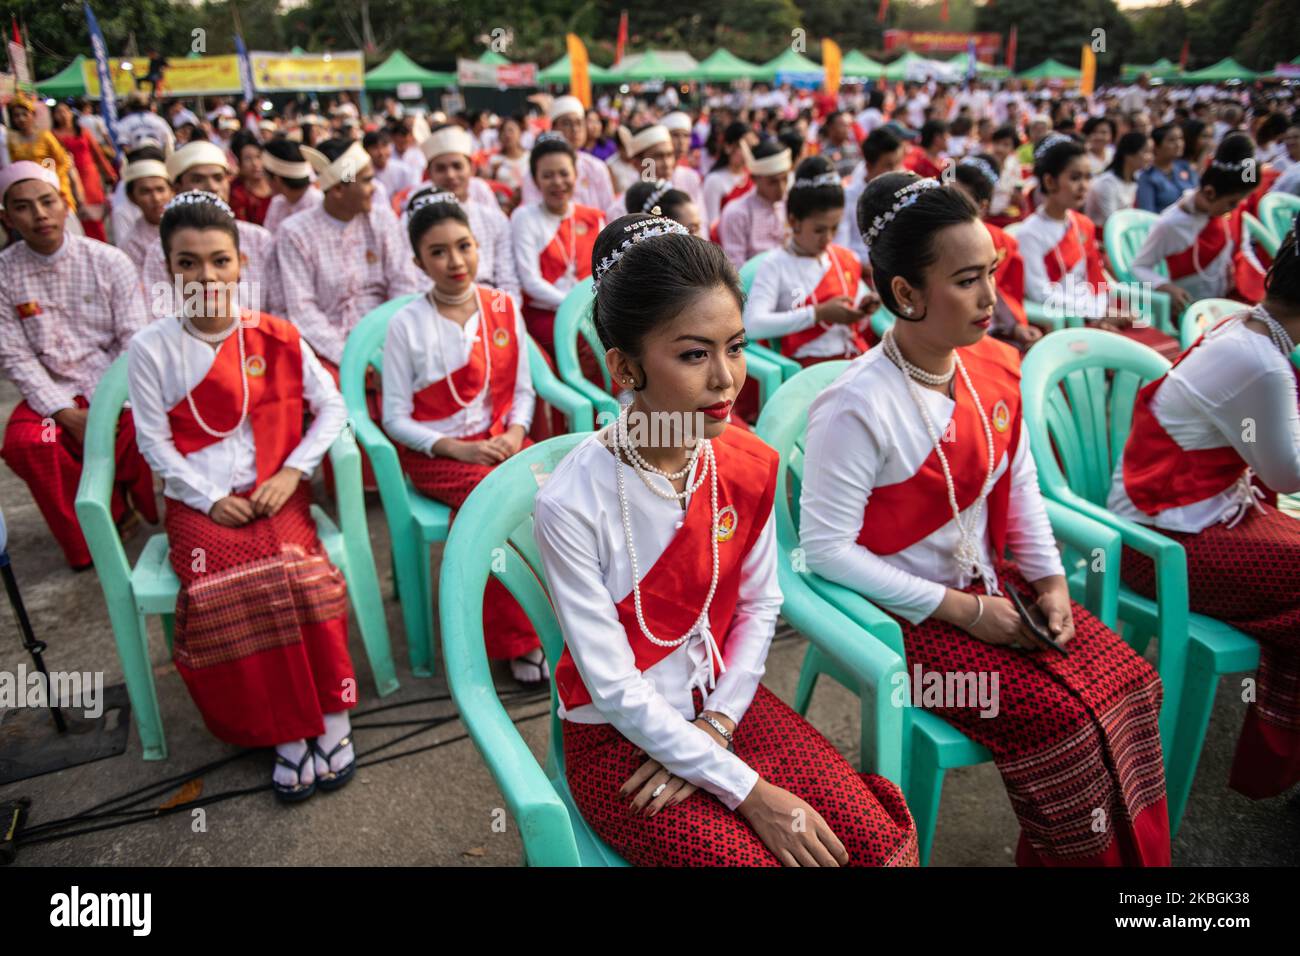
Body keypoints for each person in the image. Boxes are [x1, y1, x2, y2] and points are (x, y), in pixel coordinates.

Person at [800, 171, 1171, 866]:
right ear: (905, 294)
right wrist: (967, 614)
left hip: (994, 591)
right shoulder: (855, 406)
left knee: (1129, 685)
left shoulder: (994, 365)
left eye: (991, 273)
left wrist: (1053, 582)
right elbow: (824, 551)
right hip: (906, 623)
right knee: (1069, 722)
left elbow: (1019, 483)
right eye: (967, 280)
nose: (990, 297)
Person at [532, 213, 919, 867]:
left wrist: (714, 730)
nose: (725, 379)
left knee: (875, 844)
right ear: (624, 366)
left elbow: (759, 605)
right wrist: (746, 790)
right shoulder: (570, 502)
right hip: (620, 742)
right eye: (693, 354)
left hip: (725, 703)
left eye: (735, 346)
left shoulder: (744, 462)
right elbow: (615, 688)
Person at [126, 191, 356, 801]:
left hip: (276, 491)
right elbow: (153, 443)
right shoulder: (150, 348)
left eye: (219, 261)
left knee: (303, 575)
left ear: (240, 264)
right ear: (167, 268)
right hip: (199, 501)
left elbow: (331, 406)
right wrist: (205, 498)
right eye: (188, 262)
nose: (206, 276)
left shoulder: (276, 334)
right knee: (224, 585)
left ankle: (332, 715)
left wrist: (294, 473)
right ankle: (281, 728)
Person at [1109, 211, 1300, 800]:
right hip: (1158, 545)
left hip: (1197, 514)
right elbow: (1286, 472)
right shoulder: (1262, 360)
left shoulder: (1252, 329)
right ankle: (1276, 751)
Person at [381, 191, 547, 685]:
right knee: (497, 506)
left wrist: (516, 432)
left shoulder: (501, 307)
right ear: (418, 261)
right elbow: (394, 417)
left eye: (464, 245)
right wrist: (458, 448)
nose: (455, 261)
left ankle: (557, 621)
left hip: (500, 441)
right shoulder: (405, 324)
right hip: (438, 453)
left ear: (478, 246)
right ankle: (517, 641)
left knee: (554, 495)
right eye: (438, 252)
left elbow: (523, 390)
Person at [0, 162, 157, 569]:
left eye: (47, 202)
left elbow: (133, 340)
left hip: (115, 387)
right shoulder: (4, 274)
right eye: (23, 207)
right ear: (6, 217)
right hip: (51, 397)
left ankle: (134, 506)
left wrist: (107, 407)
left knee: (146, 425)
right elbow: (14, 355)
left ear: (65, 204)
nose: (39, 215)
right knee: (32, 443)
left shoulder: (108, 261)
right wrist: (65, 413)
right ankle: (89, 539)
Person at [276, 137, 422, 374]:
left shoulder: (382, 220)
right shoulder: (295, 233)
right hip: (327, 351)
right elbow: (303, 310)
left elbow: (404, 285)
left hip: (388, 339)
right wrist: (351, 357)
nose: (374, 188)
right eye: (366, 180)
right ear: (338, 189)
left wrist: (387, 347)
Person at [743, 156, 876, 364]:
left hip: (851, 359)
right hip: (806, 369)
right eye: (819, 230)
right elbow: (753, 324)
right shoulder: (775, 265)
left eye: (834, 228)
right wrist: (818, 314)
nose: (828, 238)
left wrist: (865, 305)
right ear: (794, 221)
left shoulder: (842, 258)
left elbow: (856, 301)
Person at [142, 140, 281, 317]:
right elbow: (161, 315)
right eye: (198, 179)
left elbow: (279, 306)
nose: (213, 187)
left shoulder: (259, 238)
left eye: (218, 178)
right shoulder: (159, 250)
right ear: (177, 188)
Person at [1132, 134, 1265, 311]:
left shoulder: (1231, 213)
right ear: (1210, 192)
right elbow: (1139, 267)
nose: (1236, 209)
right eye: (1232, 203)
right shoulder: (1171, 224)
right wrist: (1165, 287)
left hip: (1230, 300)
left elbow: (1244, 249)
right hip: (1191, 310)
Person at [509, 133, 604, 356]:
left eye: (564, 173)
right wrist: (574, 307)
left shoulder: (592, 217)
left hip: (593, 309)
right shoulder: (524, 217)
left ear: (575, 175)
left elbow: (604, 271)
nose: (558, 182)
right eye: (548, 176)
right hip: (548, 314)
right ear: (535, 180)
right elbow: (529, 280)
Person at [418, 125, 520, 304]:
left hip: (490, 305)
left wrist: (498, 318)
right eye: (441, 169)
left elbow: (507, 280)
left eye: (457, 166)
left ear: (471, 168)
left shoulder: (494, 220)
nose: (450, 175)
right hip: (438, 308)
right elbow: (417, 283)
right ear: (430, 175)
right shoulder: (416, 222)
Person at [951, 155, 1041, 349]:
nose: (946, 208)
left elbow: (1003, 292)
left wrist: (1017, 326)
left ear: (982, 207)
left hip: (988, 330)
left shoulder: (1002, 243)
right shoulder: (930, 242)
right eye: (944, 196)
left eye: (957, 200)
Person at [520, 96, 615, 212]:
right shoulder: (538, 169)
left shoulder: (596, 167)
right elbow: (532, 211)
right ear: (553, 128)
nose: (575, 129)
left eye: (579, 123)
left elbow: (609, 211)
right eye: (567, 123)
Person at [717, 140, 791, 269]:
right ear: (754, 178)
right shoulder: (737, 213)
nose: (781, 188)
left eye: (785, 179)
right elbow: (736, 271)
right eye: (773, 182)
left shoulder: (790, 203)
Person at [51, 101, 114, 242]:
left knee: (94, 215)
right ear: (54, 116)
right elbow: (50, 159)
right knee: (77, 214)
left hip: (89, 177)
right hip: (67, 176)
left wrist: (109, 173)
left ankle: (101, 244)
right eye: (58, 112)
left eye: (65, 111)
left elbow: (97, 153)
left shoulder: (83, 131)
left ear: (70, 113)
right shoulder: (52, 135)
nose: (62, 115)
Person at [5, 93, 78, 212]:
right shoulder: (12, 140)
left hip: (55, 187)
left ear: (33, 115)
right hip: (30, 191)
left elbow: (64, 161)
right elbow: (16, 168)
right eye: (16, 116)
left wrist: (51, 180)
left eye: (24, 114)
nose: (21, 119)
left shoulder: (45, 136)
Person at [1084, 131, 1151, 232]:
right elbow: (1112, 222)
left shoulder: (1135, 179)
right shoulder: (1107, 184)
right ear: (1129, 154)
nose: (1149, 157)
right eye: (1145, 152)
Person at [120, 152, 173, 275]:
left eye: (160, 189)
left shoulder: (190, 223)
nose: (156, 198)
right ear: (132, 197)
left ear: (172, 191)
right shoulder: (132, 243)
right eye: (145, 192)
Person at [260, 138, 322, 235]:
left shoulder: (319, 204)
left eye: (265, 175)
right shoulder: (277, 203)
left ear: (277, 180)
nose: (264, 180)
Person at [701, 121, 755, 229]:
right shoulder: (715, 180)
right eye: (743, 146)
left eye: (751, 147)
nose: (748, 152)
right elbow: (712, 223)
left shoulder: (753, 176)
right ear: (728, 147)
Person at [1137, 124, 1198, 214]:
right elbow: (1147, 213)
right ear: (1156, 147)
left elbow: (1198, 195)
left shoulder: (1185, 167)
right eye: (1171, 140)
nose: (1179, 144)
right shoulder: (1148, 177)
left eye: (1180, 139)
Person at [660, 111, 707, 231]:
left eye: (686, 136)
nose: (681, 142)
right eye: (675, 135)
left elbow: (702, 218)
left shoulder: (691, 176)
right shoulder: (650, 173)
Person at [227, 131, 272, 226]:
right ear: (239, 164)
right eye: (247, 159)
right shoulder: (236, 193)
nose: (255, 163)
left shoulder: (275, 181)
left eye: (258, 157)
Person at [364, 128, 420, 200]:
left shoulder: (403, 170)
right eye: (375, 148)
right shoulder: (365, 174)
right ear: (366, 151)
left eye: (384, 146)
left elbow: (413, 192)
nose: (381, 152)